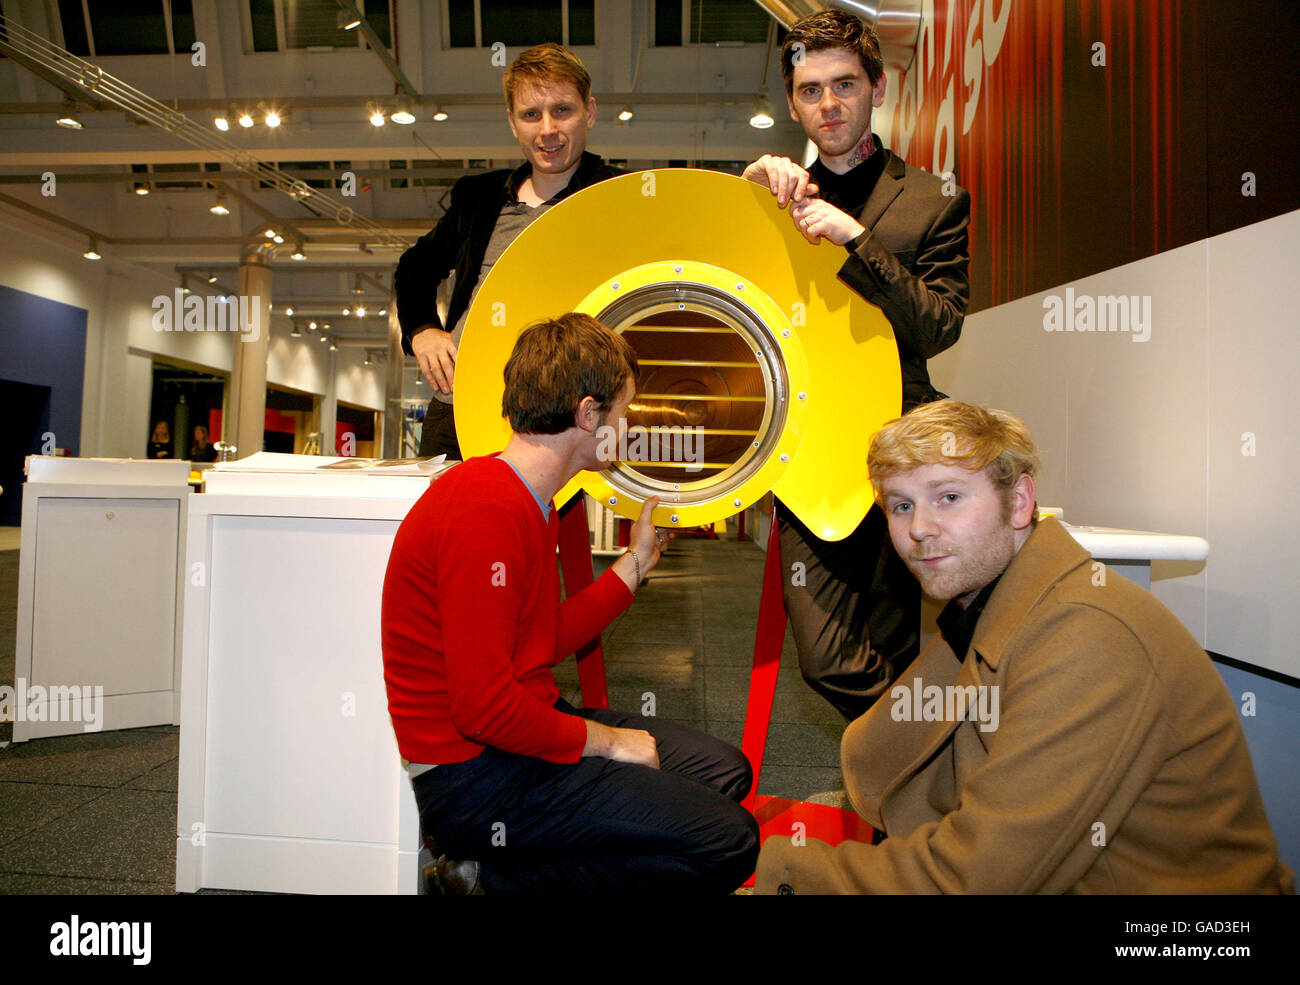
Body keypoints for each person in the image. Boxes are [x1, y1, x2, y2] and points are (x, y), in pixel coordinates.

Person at [755, 400, 1293, 893]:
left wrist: (773, 869)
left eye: (948, 497)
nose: (919, 528)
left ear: (1019, 502)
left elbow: (977, 880)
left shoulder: (1086, 632)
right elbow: (887, 759)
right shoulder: (994, 602)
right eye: (900, 506)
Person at [381, 313, 759, 894]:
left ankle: (493, 872)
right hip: (473, 778)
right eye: (624, 409)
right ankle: (491, 880)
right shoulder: (485, 508)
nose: (630, 424)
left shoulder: (531, 501)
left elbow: (540, 641)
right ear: (588, 414)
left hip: (514, 740)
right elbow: (480, 710)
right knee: (728, 840)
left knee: (724, 772)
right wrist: (609, 744)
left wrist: (632, 569)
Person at [742, 10, 972, 720]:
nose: (829, 104)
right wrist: (745, 195)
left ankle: (896, 822)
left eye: (845, 84)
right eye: (811, 90)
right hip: (808, 450)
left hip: (901, 449)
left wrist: (857, 241)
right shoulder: (773, 199)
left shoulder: (933, 198)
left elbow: (938, 325)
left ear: (876, 85)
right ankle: (929, 758)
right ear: (792, 102)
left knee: (896, 641)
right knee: (827, 654)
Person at [394, 43, 624, 460]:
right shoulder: (478, 196)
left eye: (562, 110)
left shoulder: (618, 197)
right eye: (531, 115)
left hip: (557, 423)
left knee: (531, 527)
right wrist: (422, 330)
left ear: (589, 112)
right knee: (449, 525)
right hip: (458, 408)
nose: (547, 130)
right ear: (512, 123)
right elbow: (415, 267)